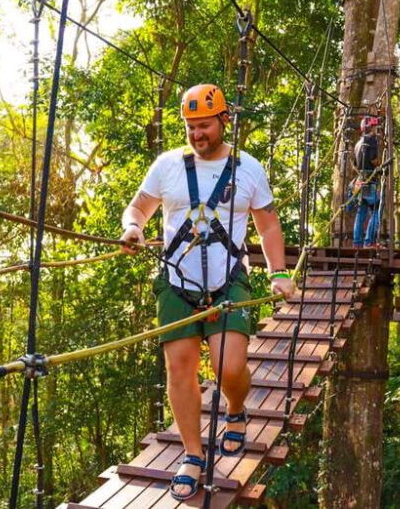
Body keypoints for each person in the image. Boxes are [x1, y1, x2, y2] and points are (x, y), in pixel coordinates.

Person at [119, 84, 295, 501]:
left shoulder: (248, 167)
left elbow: (268, 225)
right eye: (190, 127)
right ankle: (193, 455)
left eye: (204, 126)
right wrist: (133, 228)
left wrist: (279, 272)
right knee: (179, 369)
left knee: (229, 368)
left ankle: (235, 411)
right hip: (176, 282)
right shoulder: (167, 166)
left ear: (223, 121)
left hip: (228, 280)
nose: (197, 134)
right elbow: (138, 207)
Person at [351, 115, 382, 248]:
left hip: (360, 180)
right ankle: (369, 241)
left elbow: (356, 163)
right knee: (377, 209)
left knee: (361, 211)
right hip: (369, 179)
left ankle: (357, 243)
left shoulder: (358, 144)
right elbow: (373, 159)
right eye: (375, 127)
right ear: (371, 127)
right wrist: (381, 167)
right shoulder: (372, 139)